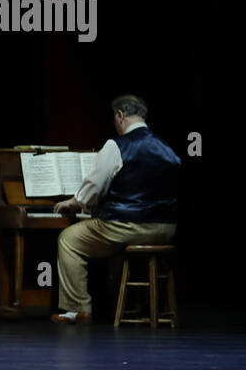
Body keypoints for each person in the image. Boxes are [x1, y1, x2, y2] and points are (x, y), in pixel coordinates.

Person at [51, 95, 179, 323]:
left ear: (120, 115)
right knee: (117, 249)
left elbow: (95, 186)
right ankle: (126, 305)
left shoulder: (116, 145)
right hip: (165, 229)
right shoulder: (167, 148)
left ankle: (78, 308)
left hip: (126, 226)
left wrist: (75, 201)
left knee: (69, 239)